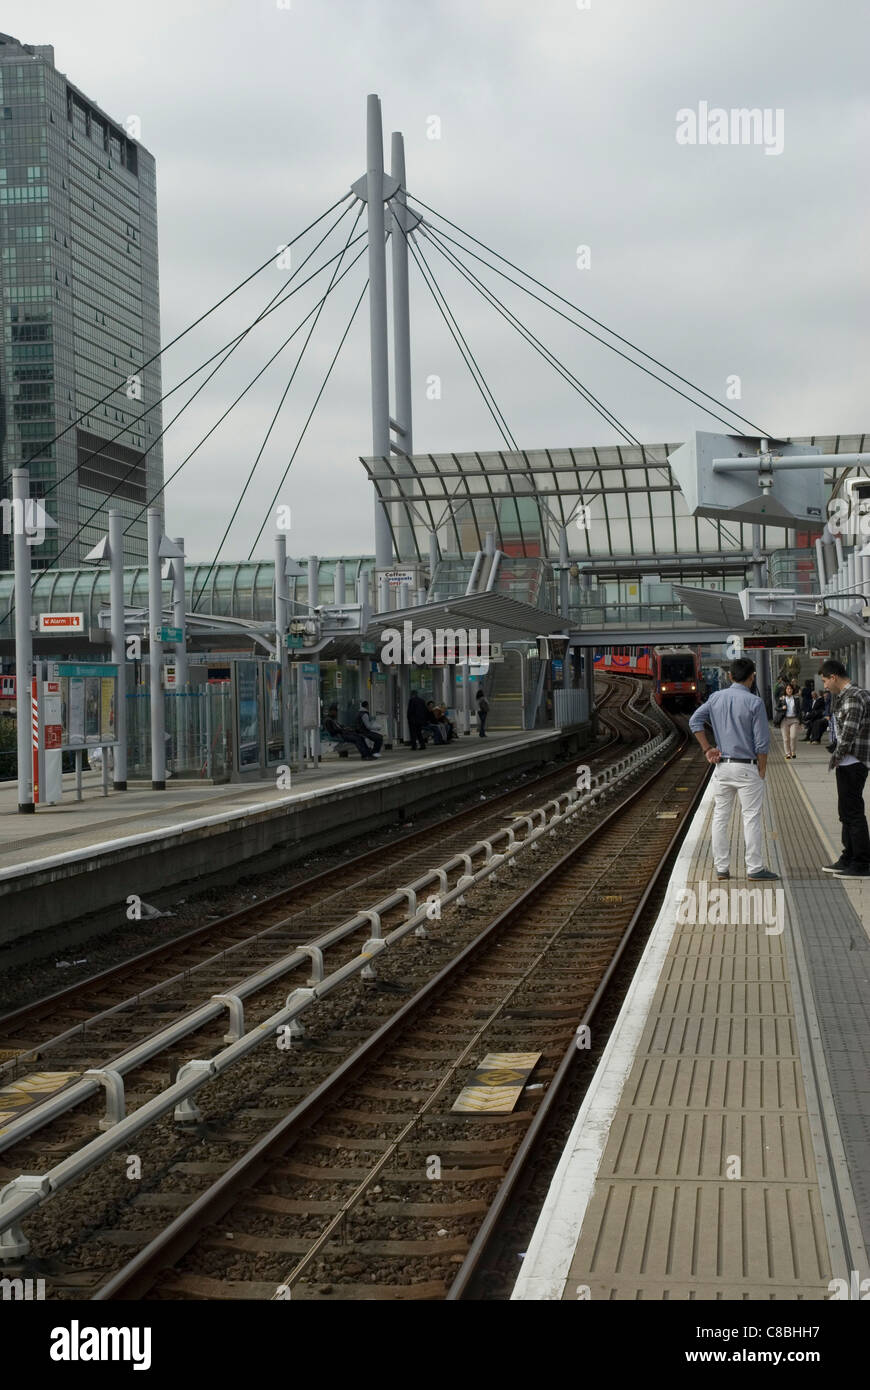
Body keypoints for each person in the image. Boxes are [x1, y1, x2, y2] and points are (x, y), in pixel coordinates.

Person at [688, 657, 779, 881]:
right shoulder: (755, 702)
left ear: (730, 676)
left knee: (720, 817)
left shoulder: (715, 697)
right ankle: (755, 868)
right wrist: (762, 770)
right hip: (747, 767)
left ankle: (722, 868)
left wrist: (707, 748)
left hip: (723, 767)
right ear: (752, 677)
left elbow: (694, 722)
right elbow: (761, 742)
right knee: (751, 817)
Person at [819, 659, 870, 878]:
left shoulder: (854, 697)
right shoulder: (849, 696)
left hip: (853, 762)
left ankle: (862, 862)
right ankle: (849, 856)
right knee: (846, 812)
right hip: (850, 762)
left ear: (834, 677)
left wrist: (836, 758)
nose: (824, 686)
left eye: (824, 681)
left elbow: (848, 734)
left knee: (853, 812)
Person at [776, 682, 801, 759]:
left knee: (793, 737)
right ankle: (787, 753)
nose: (789, 690)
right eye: (787, 689)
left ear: (793, 690)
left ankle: (793, 751)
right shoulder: (782, 699)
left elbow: (799, 710)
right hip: (784, 720)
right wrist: (782, 708)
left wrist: (801, 722)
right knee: (786, 739)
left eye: (790, 689)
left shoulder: (796, 699)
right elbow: (776, 708)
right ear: (785, 690)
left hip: (794, 720)